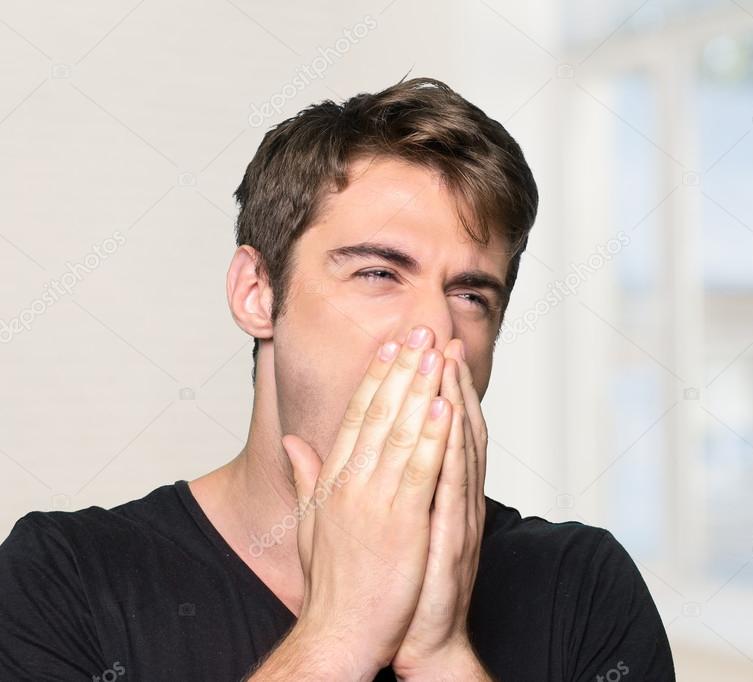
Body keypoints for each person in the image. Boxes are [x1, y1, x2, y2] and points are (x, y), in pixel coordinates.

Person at [0, 76, 676, 681]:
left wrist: (443, 659)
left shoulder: (580, 586)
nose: (433, 333)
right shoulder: (65, 578)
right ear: (256, 291)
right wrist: (336, 637)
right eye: (378, 274)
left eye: (471, 294)